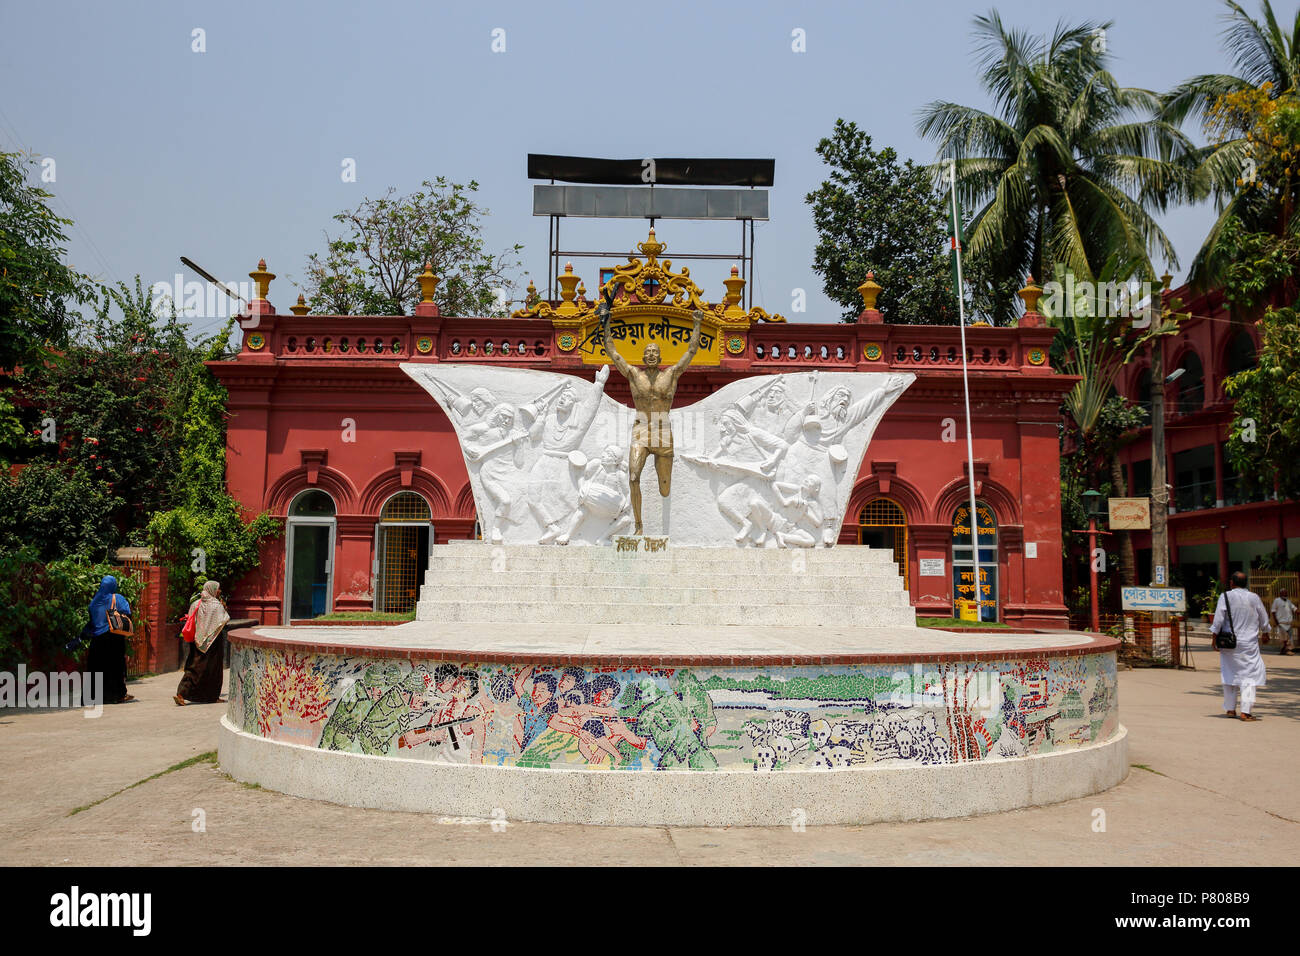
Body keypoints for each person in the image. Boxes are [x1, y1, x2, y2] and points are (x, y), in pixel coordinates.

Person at [1211, 572, 1271, 721]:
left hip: (1229, 643)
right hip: (1249, 644)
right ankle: (1246, 711)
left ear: (1232, 582)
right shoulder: (1254, 597)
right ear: (1246, 583)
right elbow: (1264, 618)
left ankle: (1230, 709)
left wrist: (1214, 638)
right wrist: (1266, 632)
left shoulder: (1225, 597)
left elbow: (1218, 619)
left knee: (1229, 674)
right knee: (1249, 677)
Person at [174, 580, 230, 705]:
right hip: (213, 642)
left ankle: (182, 693)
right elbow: (224, 619)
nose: (219, 591)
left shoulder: (195, 603)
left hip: (196, 640)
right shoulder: (217, 605)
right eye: (217, 588)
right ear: (213, 589)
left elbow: (191, 620)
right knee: (213, 670)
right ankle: (212, 696)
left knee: (194, 667)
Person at [84, 575, 133, 705]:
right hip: (114, 637)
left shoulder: (95, 601)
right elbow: (127, 613)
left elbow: (91, 618)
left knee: (96, 667)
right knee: (115, 666)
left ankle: (92, 697)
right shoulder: (117, 598)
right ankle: (117, 695)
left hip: (97, 639)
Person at [1270, 588, 1297, 655]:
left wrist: (1297, 611)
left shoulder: (1289, 601)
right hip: (1281, 623)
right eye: (1284, 593)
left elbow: (1295, 609)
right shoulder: (1277, 601)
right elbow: (1273, 611)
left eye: (1286, 593)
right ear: (1280, 594)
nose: (1285, 594)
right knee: (1284, 638)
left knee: (1289, 637)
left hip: (1289, 623)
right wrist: (1276, 622)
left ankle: (1283, 650)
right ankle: (1287, 650)